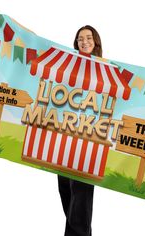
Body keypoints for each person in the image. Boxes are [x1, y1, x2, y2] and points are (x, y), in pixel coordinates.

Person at [58, 25, 103, 236]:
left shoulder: (105, 70)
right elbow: (37, 46)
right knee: (67, 196)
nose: (84, 42)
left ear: (95, 42)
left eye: (88, 38)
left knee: (81, 200)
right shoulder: (69, 66)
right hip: (65, 140)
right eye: (79, 39)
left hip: (88, 144)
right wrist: (6, 24)